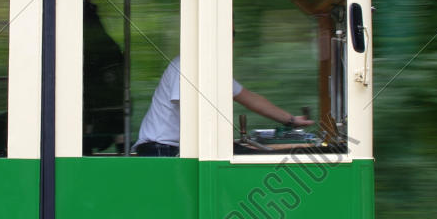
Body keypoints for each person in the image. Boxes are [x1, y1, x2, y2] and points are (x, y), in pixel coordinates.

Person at [133, 56, 312, 156]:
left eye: (233, 34)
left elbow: (251, 99)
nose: (231, 39)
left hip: (180, 148)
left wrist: (291, 120)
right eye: (228, 33)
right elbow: (192, 112)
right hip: (160, 150)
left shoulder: (214, 70)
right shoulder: (185, 64)